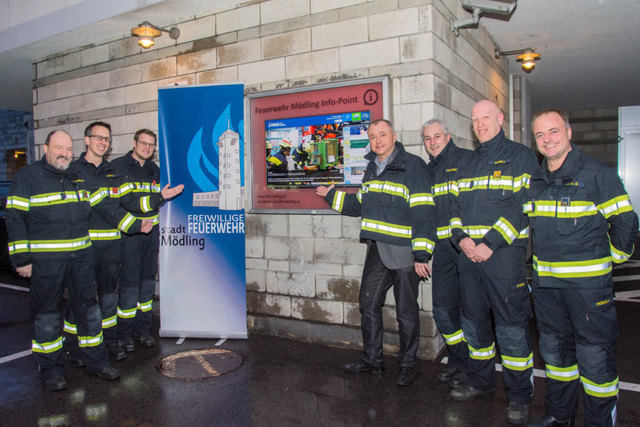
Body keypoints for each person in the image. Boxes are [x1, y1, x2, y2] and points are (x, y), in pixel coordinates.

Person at [524, 110, 638, 427]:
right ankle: (561, 416)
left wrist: (613, 257)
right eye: (540, 135)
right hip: (548, 289)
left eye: (553, 131)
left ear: (569, 132)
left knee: (594, 359)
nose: (547, 139)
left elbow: (626, 220)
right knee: (555, 356)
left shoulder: (595, 173)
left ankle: (600, 422)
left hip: (587, 290)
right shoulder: (536, 180)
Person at [316, 119, 435, 386]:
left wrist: (422, 254)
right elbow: (361, 204)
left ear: (394, 136)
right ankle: (372, 359)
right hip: (377, 249)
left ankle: (407, 364)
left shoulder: (413, 165)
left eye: (382, 135)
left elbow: (424, 211)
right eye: (372, 137)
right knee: (368, 303)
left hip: (405, 251)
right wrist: (332, 196)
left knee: (406, 311)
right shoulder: (372, 167)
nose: (378, 141)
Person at [6, 130, 120, 391]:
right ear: (45, 148)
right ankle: (51, 369)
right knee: (47, 316)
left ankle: (97, 362)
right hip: (47, 261)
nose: (64, 153)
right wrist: (21, 258)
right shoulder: (28, 177)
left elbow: (102, 205)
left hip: (81, 259)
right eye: (59, 148)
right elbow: (15, 219)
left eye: (68, 149)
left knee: (89, 311)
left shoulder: (76, 175)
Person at [449, 100, 539, 425]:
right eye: (475, 119)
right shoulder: (467, 163)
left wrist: (490, 242)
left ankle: (519, 397)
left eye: (485, 117)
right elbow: (453, 208)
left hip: (503, 259)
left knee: (511, 329)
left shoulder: (522, 157)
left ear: (500, 118)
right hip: (469, 259)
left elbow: (525, 206)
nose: (480, 123)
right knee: (473, 325)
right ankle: (481, 382)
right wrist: (460, 239)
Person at [62, 122, 153, 365]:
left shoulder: (113, 172)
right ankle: (71, 345)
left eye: (107, 139)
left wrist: (159, 197)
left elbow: (130, 203)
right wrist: (133, 225)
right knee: (81, 299)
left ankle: (109, 342)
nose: (103, 143)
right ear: (87, 140)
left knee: (108, 298)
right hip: (83, 248)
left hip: (111, 247)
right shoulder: (72, 171)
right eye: (99, 138)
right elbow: (104, 208)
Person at [111, 129, 184, 352]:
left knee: (147, 285)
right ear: (134, 143)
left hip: (151, 236)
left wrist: (160, 199)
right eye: (143, 143)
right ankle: (124, 335)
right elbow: (127, 202)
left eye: (151, 145)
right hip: (130, 236)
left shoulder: (154, 170)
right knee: (129, 287)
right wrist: (159, 197)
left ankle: (143, 330)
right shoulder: (118, 167)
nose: (147, 148)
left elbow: (156, 204)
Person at [422, 119, 473, 388]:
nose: (432, 142)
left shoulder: (467, 160)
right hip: (443, 250)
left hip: (467, 248)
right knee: (442, 310)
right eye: (427, 138)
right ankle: (458, 359)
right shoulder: (428, 171)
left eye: (437, 136)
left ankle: (474, 369)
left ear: (448, 136)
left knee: (471, 313)